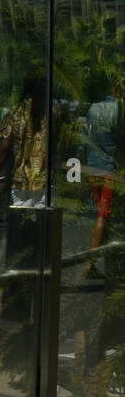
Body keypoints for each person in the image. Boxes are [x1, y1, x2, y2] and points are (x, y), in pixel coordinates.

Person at [0, 70, 53, 208]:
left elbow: (5, 146)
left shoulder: (16, 111)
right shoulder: (50, 111)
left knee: (20, 223)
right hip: (42, 181)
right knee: (42, 223)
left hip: (19, 180)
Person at [83, 73, 120, 277]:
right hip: (108, 170)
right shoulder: (118, 108)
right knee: (102, 218)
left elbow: (86, 139)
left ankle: (99, 263)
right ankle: (90, 264)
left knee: (100, 215)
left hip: (93, 167)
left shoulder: (92, 108)